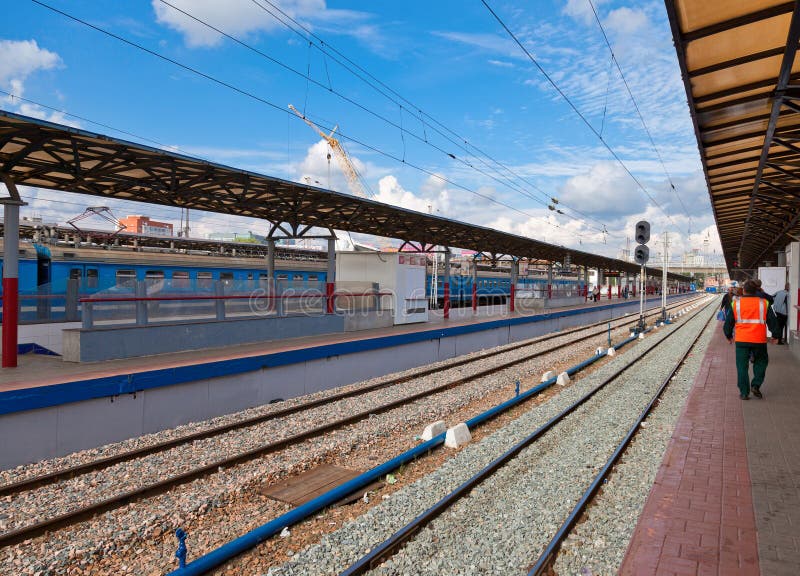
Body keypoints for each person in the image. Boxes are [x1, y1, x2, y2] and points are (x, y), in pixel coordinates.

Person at [723, 279, 778, 400]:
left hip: (742, 340)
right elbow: (772, 321)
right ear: (756, 290)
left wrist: (728, 336)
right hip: (759, 340)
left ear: (744, 291)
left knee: (742, 366)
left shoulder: (736, 303)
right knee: (761, 362)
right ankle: (756, 385)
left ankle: (744, 392)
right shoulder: (764, 303)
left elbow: (728, 322)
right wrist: (775, 335)